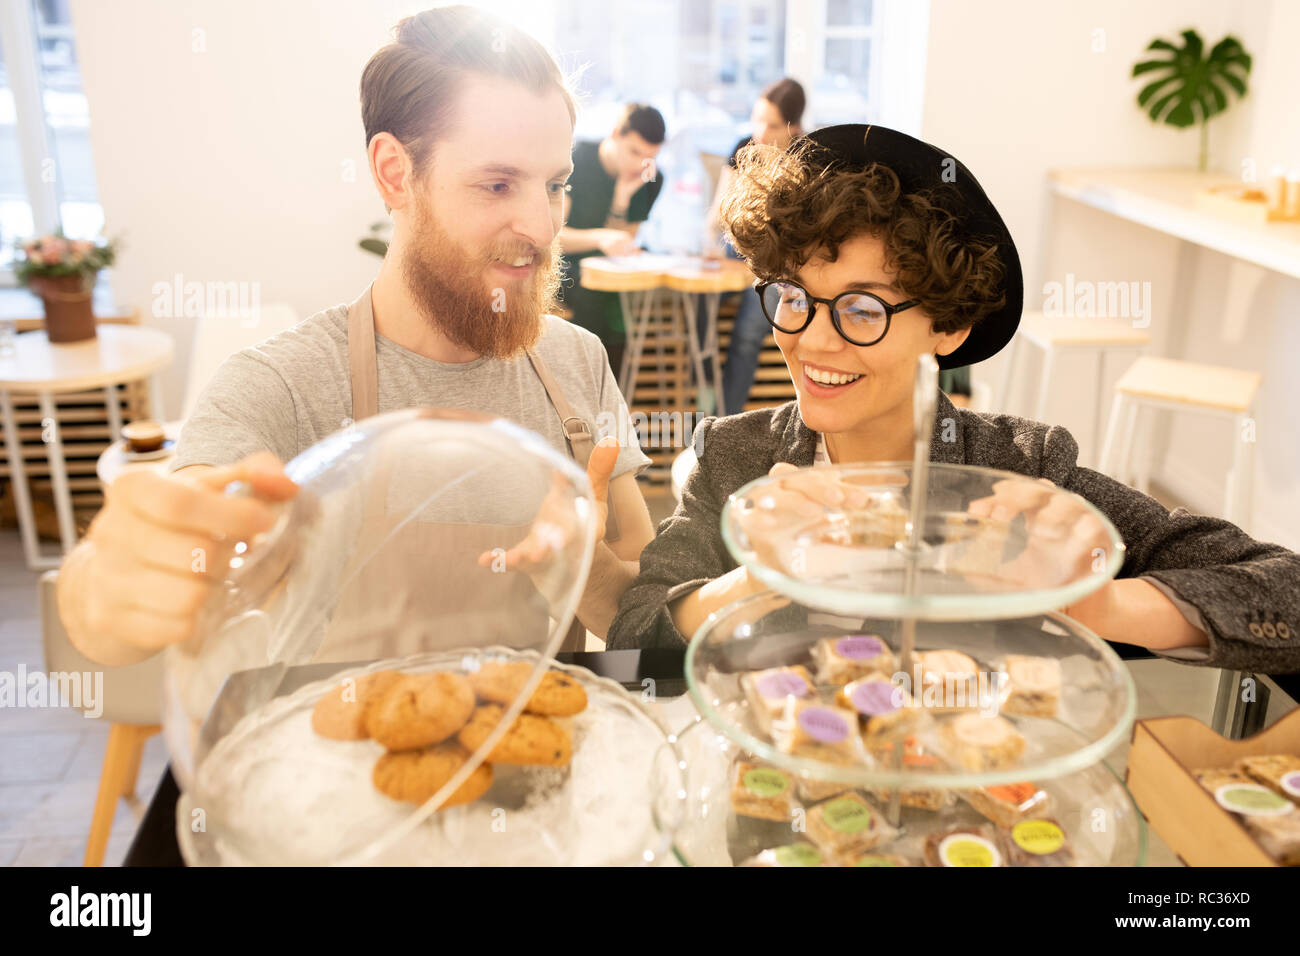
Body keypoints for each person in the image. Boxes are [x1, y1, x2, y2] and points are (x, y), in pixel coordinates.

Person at [59, 5, 657, 667]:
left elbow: (636, 614)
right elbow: (114, 620)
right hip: (341, 762)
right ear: (395, 174)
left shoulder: (577, 361)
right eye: (497, 183)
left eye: (554, 185)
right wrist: (107, 584)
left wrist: (585, 567)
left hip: (540, 751)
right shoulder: (283, 387)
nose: (544, 228)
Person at [608, 123, 1300, 676]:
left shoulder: (1021, 471)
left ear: (948, 325)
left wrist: (1094, 603)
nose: (813, 341)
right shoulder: (736, 461)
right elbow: (633, 637)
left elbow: (1283, 592)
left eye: (861, 310)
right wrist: (757, 579)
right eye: (794, 297)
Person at [701, 78, 805, 415]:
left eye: (772, 124)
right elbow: (718, 215)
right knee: (698, 303)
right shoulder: (742, 148)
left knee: (748, 331)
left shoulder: (805, 158)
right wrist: (709, 245)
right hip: (736, 247)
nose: (761, 131)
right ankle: (702, 395)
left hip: (778, 261)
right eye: (757, 119)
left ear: (794, 126)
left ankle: (723, 420)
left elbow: (795, 237)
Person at [556, 104, 666, 378]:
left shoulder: (650, 177)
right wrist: (601, 237)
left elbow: (622, 245)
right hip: (566, 265)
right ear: (615, 134)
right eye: (634, 152)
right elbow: (554, 239)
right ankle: (590, 387)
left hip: (609, 270)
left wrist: (622, 197)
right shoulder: (576, 158)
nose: (640, 163)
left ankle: (613, 396)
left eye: (649, 157)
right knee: (595, 292)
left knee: (625, 296)